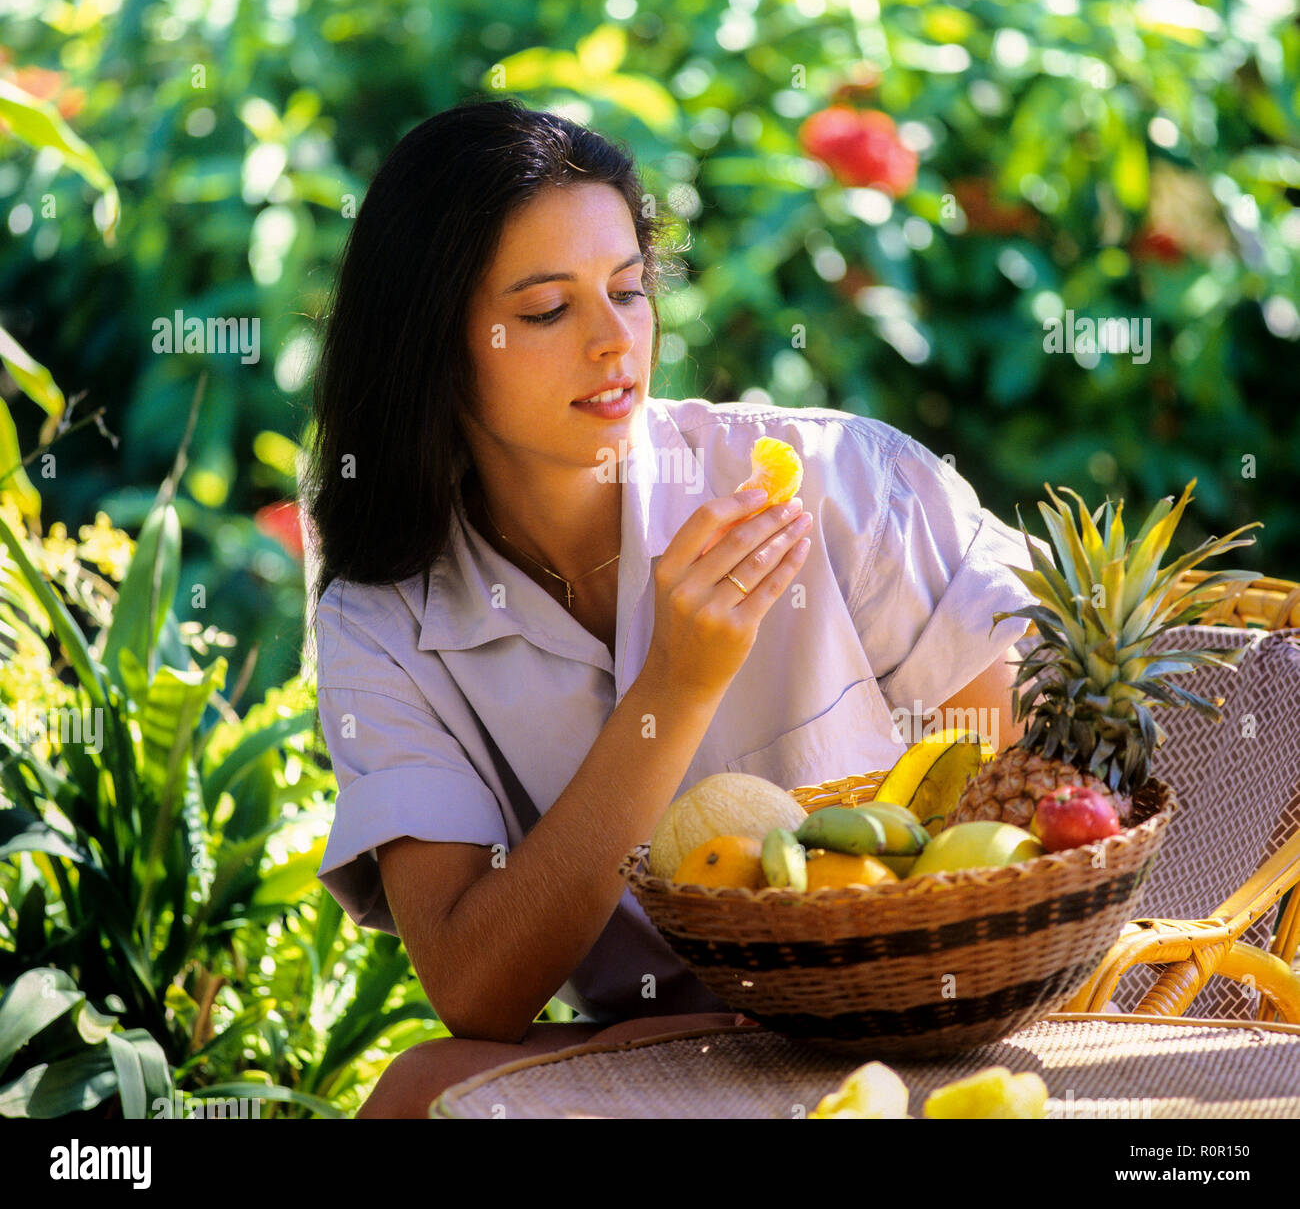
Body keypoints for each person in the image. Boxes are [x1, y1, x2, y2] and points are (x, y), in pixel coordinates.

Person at [305, 98, 1043, 1118]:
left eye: (628, 289)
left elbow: (1028, 835)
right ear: (434, 342)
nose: (615, 341)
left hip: (929, 1019)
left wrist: (810, 1013)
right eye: (547, 310)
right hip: (666, 1055)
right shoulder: (380, 622)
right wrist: (675, 687)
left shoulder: (840, 487)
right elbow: (477, 988)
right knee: (411, 1091)